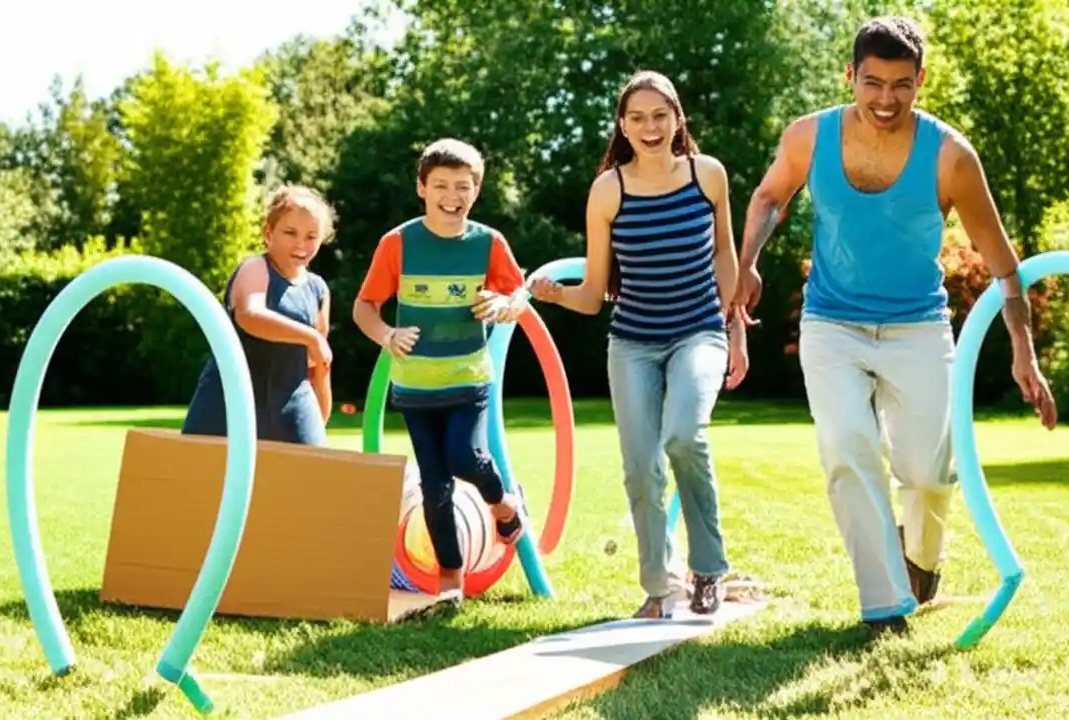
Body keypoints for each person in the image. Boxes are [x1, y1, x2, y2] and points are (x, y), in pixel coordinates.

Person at [734, 16, 1059, 634]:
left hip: (917, 327)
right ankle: (885, 604)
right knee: (846, 449)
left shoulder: (951, 157)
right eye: (873, 83)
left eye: (902, 85)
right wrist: (748, 263)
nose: (887, 99)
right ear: (849, 75)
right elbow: (770, 196)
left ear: (921, 81)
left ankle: (922, 559)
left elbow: (1003, 267)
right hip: (832, 322)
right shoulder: (809, 137)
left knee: (929, 471)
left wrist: (1025, 353)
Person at [529, 70, 749, 620]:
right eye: (636, 117)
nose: (649, 127)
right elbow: (597, 292)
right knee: (640, 467)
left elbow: (726, 259)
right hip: (632, 341)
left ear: (678, 119)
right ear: (622, 126)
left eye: (659, 115)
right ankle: (657, 587)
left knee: (683, 435)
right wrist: (553, 295)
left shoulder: (709, 176)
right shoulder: (609, 190)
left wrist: (735, 326)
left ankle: (707, 569)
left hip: (700, 330)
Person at [353, 138, 529, 608]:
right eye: (441, 186)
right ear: (422, 188)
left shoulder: (488, 243)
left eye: (463, 186)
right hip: (414, 387)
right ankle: (451, 582)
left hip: (469, 378)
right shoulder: (398, 243)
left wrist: (504, 303)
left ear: (477, 189)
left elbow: (518, 295)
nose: (452, 195)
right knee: (434, 486)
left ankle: (505, 504)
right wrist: (387, 335)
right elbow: (364, 307)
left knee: (464, 456)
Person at [181, 184, 336, 446]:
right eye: (290, 232)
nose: (301, 244)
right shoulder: (256, 268)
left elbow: (319, 365)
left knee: (308, 481)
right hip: (228, 404)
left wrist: (319, 417)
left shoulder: (318, 289)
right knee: (204, 482)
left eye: (311, 236)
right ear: (268, 233)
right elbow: (250, 316)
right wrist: (310, 337)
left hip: (291, 408)